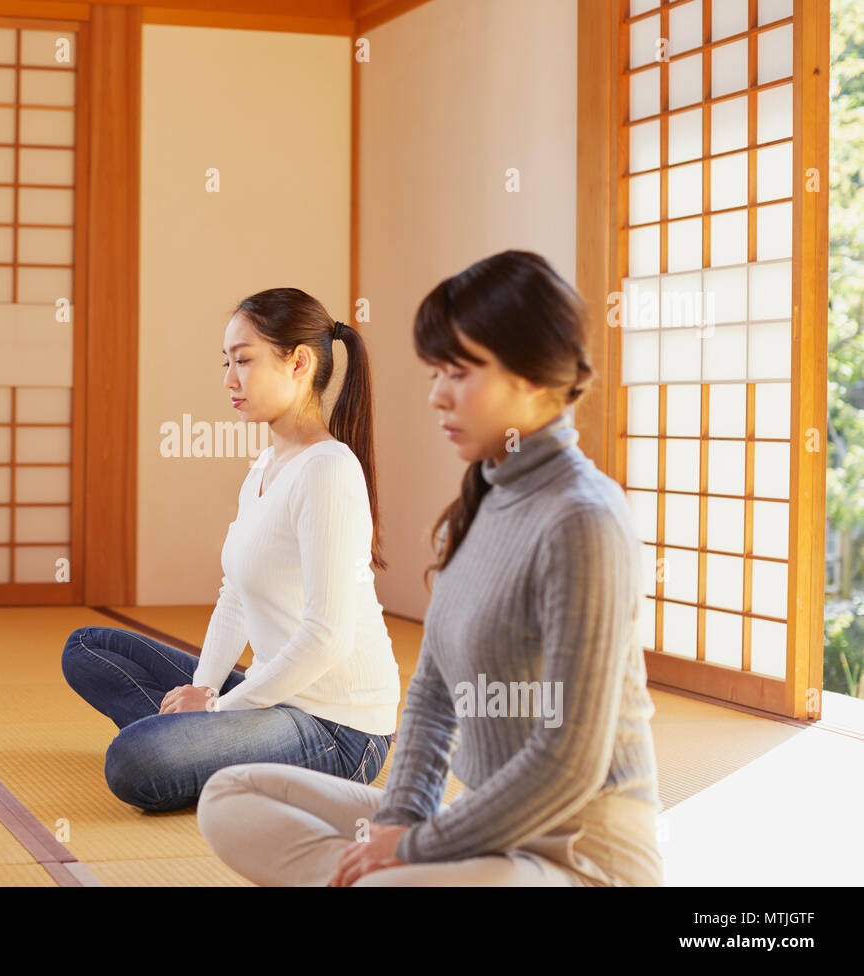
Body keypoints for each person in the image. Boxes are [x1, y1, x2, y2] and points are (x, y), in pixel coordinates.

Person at [197, 250, 664, 886]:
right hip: (481, 829)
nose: (437, 394)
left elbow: (570, 762)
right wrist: (405, 822)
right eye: (436, 371)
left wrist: (419, 846)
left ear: (530, 376)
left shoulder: (583, 519)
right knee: (231, 796)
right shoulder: (486, 499)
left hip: (576, 860)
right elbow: (434, 693)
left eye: (459, 372)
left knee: (388, 876)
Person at [62, 288, 402, 812]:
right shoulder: (264, 470)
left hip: (337, 727)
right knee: (87, 647)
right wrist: (202, 692)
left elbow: (327, 637)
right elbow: (236, 598)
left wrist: (217, 710)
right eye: (226, 363)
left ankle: (188, 743)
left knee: (133, 763)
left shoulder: (329, 471)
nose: (228, 380)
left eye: (243, 361)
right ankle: (197, 740)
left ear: (300, 362)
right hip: (273, 696)